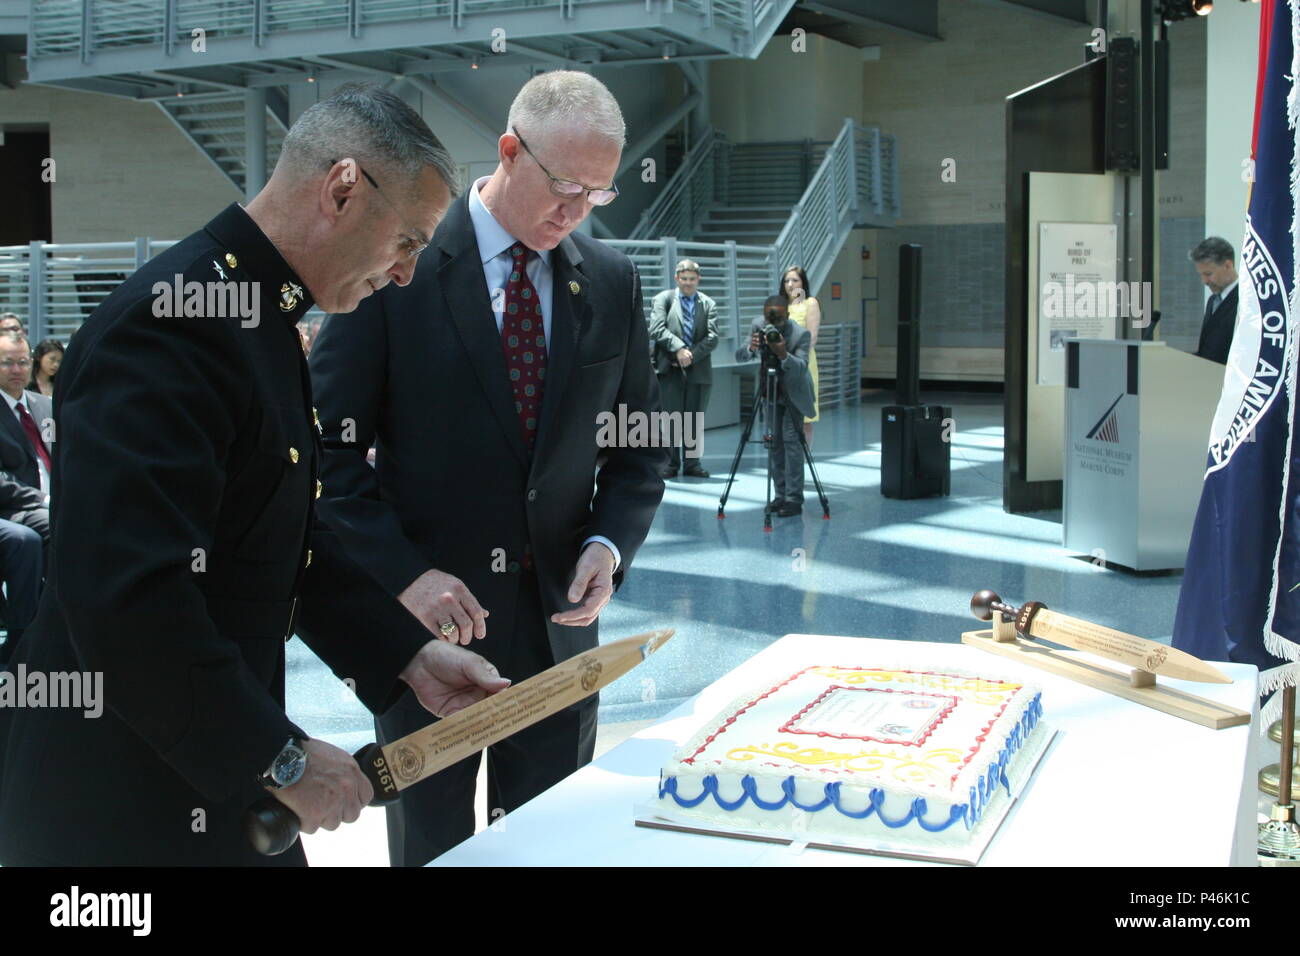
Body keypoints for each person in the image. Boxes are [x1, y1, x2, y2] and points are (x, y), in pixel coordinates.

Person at [0, 84, 512, 867]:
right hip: (125, 804)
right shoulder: (171, 327)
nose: (407, 273)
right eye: (407, 240)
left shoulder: (256, 317)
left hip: (214, 779)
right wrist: (278, 757)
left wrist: (404, 653)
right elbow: (124, 593)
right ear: (343, 189)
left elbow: (279, 538)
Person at [310, 70, 666, 866]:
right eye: (565, 185)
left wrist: (609, 548)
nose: (575, 212)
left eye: (598, 195)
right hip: (432, 638)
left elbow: (640, 444)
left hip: (559, 641)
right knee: (432, 847)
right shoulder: (398, 266)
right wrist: (405, 576)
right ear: (510, 150)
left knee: (548, 847)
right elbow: (328, 453)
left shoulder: (609, 280)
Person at [735, 295, 816, 517]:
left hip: (794, 395)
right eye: (769, 318)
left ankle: (793, 499)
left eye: (778, 319)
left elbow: (800, 368)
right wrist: (751, 348)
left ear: (787, 316)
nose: (772, 324)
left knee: (792, 445)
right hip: (769, 393)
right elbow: (740, 356)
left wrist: (782, 353)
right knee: (775, 445)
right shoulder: (758, 325)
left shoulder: (801, 334)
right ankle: (779, 495)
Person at [648, 259, 719, 478]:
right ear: (677, 278)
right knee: (670, 418)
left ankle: (692, 464)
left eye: (692, 279)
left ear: (698, 279)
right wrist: (678, 349)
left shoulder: (708, 304)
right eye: (684, 279)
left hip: (698, 370)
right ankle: (670, 463)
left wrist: (691, 355)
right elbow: (656, 328)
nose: (688, 283)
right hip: (669, 368)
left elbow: (713, 337)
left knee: (694, 418)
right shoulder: (663, 299)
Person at [0, 333, 51, 500]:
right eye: (7, 363)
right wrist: (43, 500)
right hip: (17, 505)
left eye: (23, 363)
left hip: (60, 502)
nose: (16, 370)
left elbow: (59, 454)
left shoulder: (46, 406)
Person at [780, 266, 821, 447]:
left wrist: (793, 356)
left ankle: (804, 458)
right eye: (787, 281)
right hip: (781, 363)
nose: (790, 284)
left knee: (804, 416)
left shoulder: (810, 303)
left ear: (802, 282)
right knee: (783, 413)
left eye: (795, 280)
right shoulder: (780, 305)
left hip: (802, 362)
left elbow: (811, 337)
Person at [1189, 237, 1239, 365]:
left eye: (1208, 274)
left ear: (1228, 266)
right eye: (1201, 274)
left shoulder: (1244, 300)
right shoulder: (1213, 301)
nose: (1204, 281)